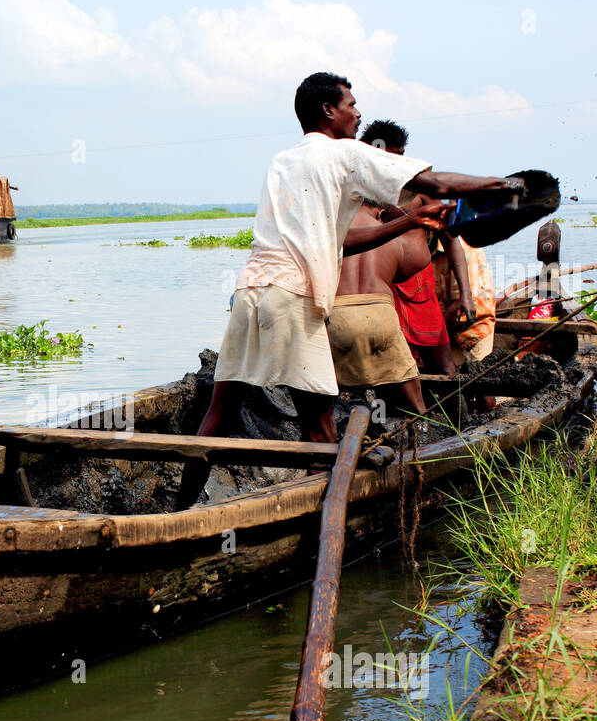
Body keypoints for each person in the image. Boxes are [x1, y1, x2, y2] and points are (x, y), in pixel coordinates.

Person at [174, 72, 520, 511]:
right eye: (352, 105)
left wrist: (409, 222)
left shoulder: (282, 161)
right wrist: (504, 186)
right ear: (328, 111)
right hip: (293, 298)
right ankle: (315, 518)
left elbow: (339, 242)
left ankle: (180, 508)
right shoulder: (344, 153)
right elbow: (437, 184)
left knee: (219, 412)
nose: (358, 113)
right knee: (321, 428)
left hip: (251, 292)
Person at [359, 119, 472, 378]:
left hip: (420, 288)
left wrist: (466, 293)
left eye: (401, 154)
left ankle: (454, 413)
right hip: (380, 290)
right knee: (392, 363)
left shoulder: (420, 189)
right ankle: (400, 413)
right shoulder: (357, 191)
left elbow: (451, 239)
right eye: (392, 155)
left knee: (442, 363)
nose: (399, 162)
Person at [326, 199, 432, 416]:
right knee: (407, 381)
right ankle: (421, 424)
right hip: (379, 313)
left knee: (329, 388)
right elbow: (419, 261)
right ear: (380, 211)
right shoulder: (387, 233)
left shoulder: (331, 229)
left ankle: (329, 434)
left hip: (337, 314)